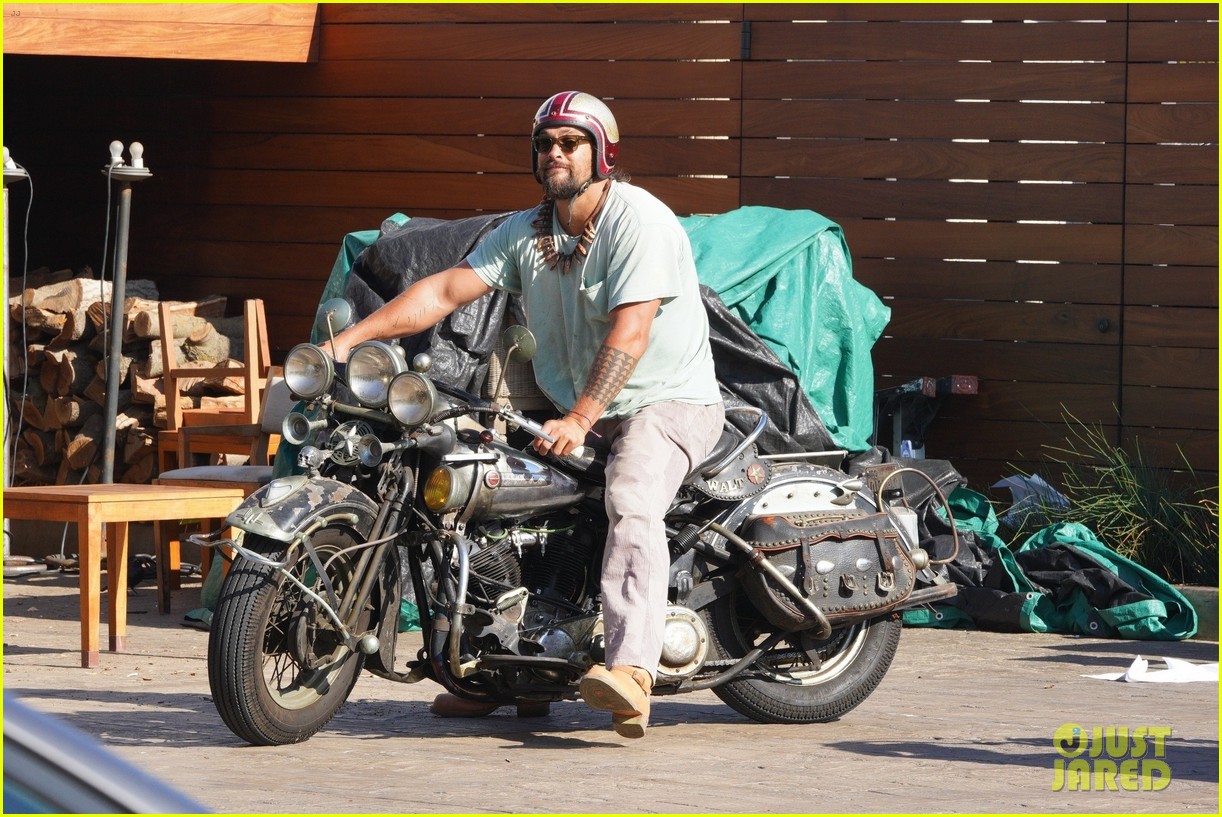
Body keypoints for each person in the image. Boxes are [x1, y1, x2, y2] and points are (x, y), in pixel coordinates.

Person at [324, 91, 724, 739]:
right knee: (485, 494)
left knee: (631, 498)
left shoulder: (638, 222)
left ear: (603, 152)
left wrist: (583, 416)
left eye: (571, 142)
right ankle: (502, 673)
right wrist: (346, 342)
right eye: (545, 143)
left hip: (665, 402)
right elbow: (444, 290)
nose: (555, 153)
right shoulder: (528, 231)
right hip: (577, 409)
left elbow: (631, 331)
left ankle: (632, 671)